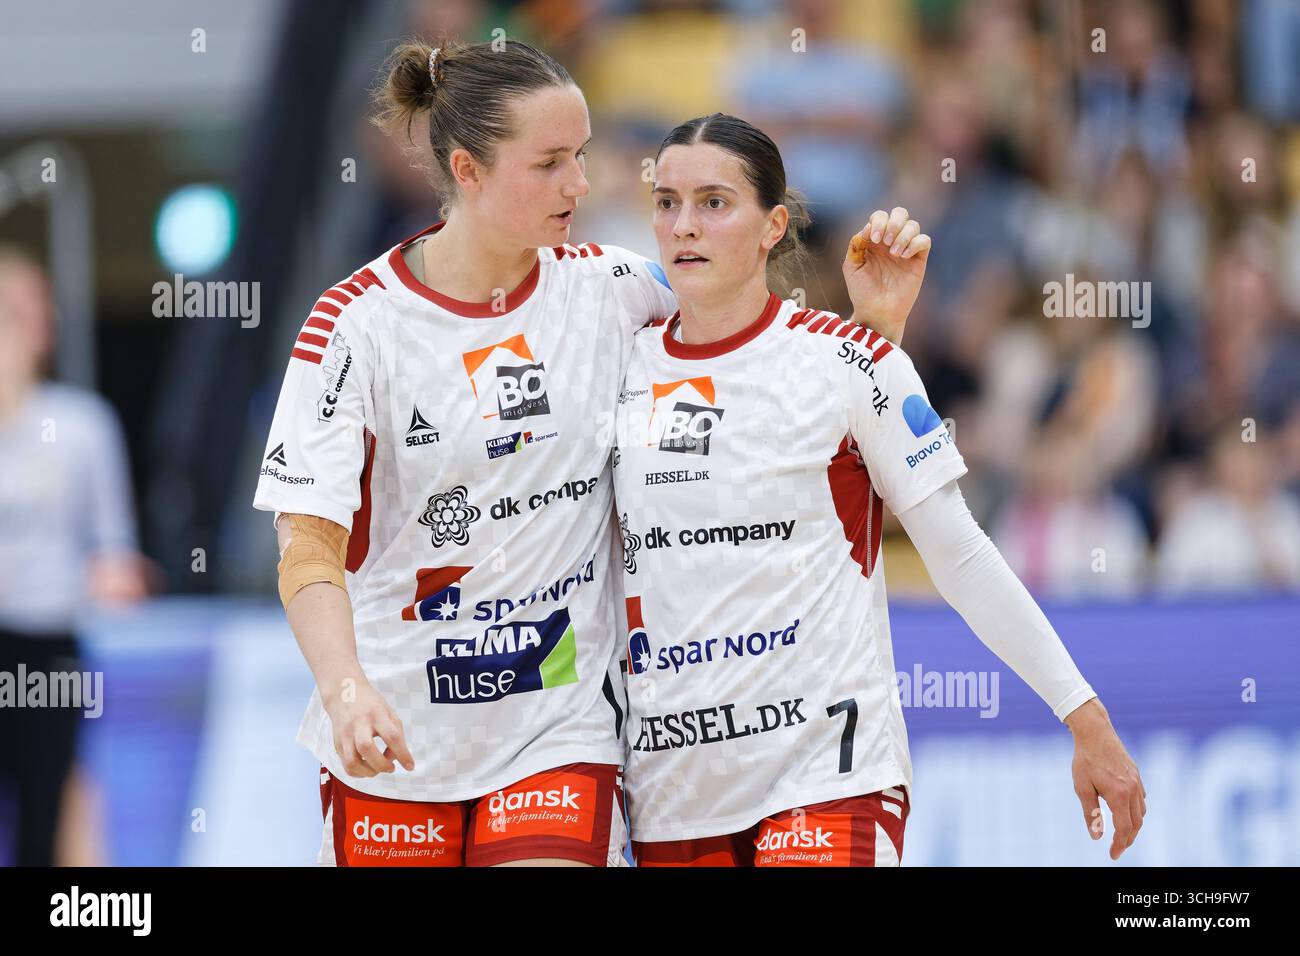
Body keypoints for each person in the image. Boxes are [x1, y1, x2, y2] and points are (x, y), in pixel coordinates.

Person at [252, 39, 896, 867]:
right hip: (399, 731)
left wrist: (878, 332)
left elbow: (774, 365)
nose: (581, 184)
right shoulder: (354, 327)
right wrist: (346, 691)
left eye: (583, 156)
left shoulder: (613, 288)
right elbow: (307, 543)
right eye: (551, 162)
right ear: (468, 169)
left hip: (558, 735)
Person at [613, 114, 1146, 867]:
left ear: (773, 226)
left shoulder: (852, 362)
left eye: (713, 202)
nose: (684, 226)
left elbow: (959, 553)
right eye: (667, 202)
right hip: (672, 790)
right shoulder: (619, 365)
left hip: (827, 773)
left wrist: (1084, 716)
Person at [0, 247, 149, 866]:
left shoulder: (81, 425)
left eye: (29, 310)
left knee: (48, 809)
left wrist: (118, 579)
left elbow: (115, 546)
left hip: (49, 645)